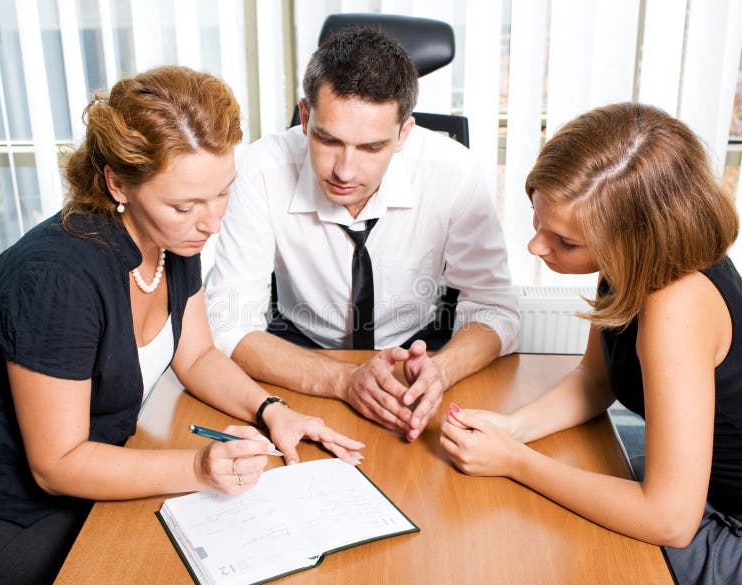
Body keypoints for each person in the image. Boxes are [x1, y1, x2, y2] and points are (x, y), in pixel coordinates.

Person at [0, 66, 363, 585]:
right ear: (117, 183)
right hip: (5, 510)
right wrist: (197, 467)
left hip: (99, 472)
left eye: (222, 193)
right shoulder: (54, 279)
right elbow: (56, 465)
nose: (212, 222)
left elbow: (196, 356)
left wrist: (272, 410)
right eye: (185, 205)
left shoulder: (171, 239)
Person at [440, 102, 742, 585]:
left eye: (564, 241)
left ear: (635, 237)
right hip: (699, 494)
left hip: (741, 529)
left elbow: (670, 520)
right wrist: (513, 428)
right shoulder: (639, 258)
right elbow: (598, 379)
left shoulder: (676, 305)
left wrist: (515, 462)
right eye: (538, 219)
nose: (535, 247)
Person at [205, 28, 519, 443]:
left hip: (417, 352)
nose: (345, 171)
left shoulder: (453, 172)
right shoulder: (261, 169)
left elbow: (495, 310)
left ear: (404, 133)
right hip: (302, 352)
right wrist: (342, 379)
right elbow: (227, 325)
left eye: (371, 148)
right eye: (328, 140)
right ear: (305, 117)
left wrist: (441, 370)